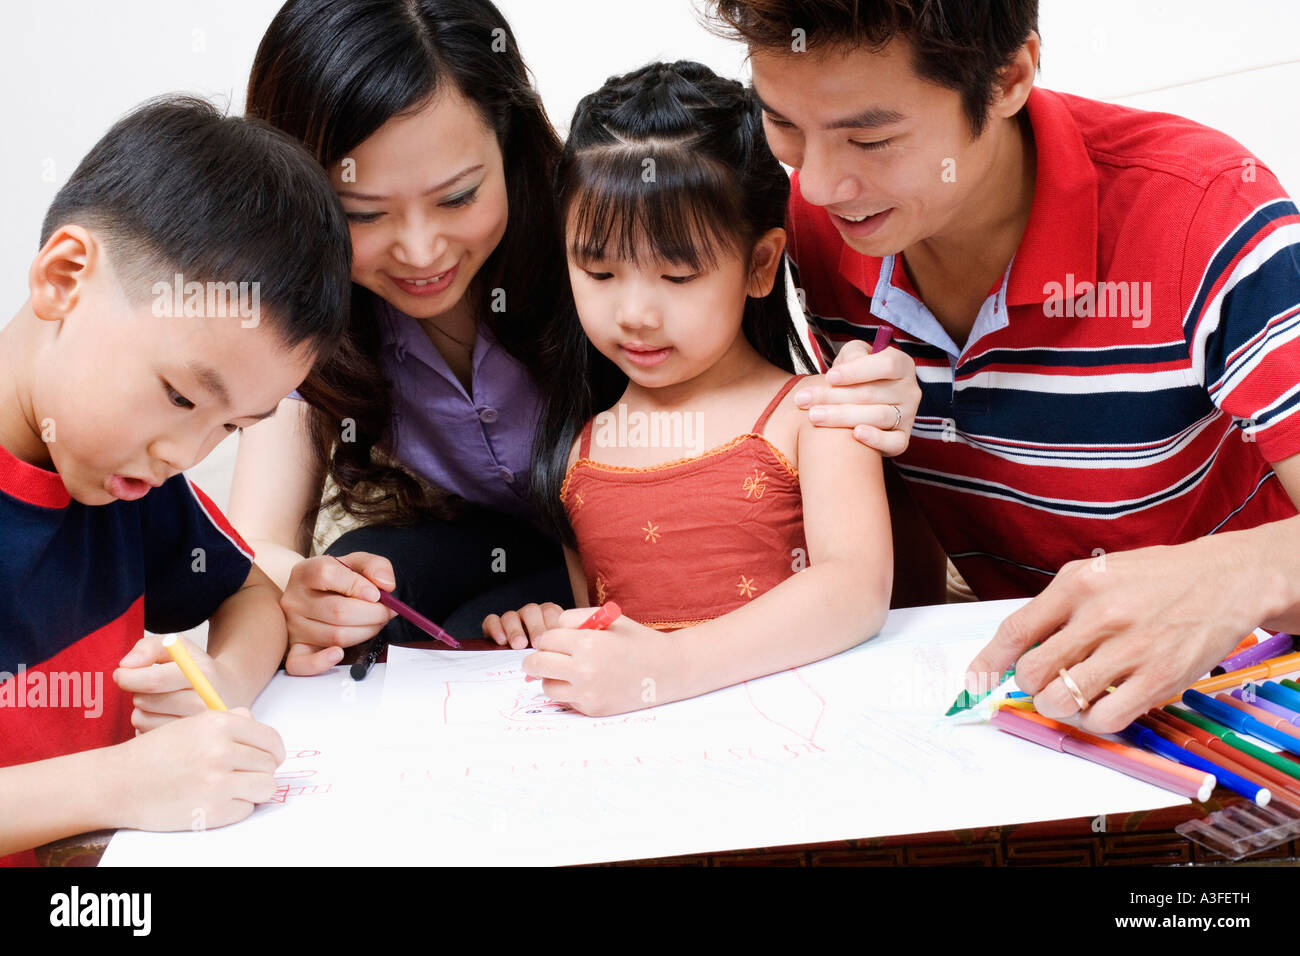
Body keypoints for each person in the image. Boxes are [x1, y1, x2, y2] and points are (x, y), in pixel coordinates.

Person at [704, 0, 1300, 732]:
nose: (822, 185)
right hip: (1018, 703)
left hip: (1246, 699)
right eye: (785, 125)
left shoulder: (1203, 211)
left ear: (1011, 75)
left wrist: (1230, 578)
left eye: (872, 137)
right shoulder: (827, 224)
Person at [0, 96, 353, 863]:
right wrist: (120, 783)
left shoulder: (122, 474)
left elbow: (253, 592)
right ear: (63, 278)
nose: (184, 454)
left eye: (230, 428)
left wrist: (223, 677)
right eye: (181, 397)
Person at [499, 61, 892, 717]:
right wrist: (559, 639)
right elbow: (611, 644)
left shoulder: (814, 416)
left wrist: (671, 667)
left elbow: (855, 589)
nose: (635, 313)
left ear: (760, 264)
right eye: (598, 271)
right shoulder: (578, 454)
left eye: (676, 276)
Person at [230, 0, 577, 670]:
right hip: (487, 541)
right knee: (358, 600)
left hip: (642, 537)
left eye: (457, 198)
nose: (421, 253)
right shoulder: (307, 306)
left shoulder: (593, 245)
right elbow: (258, 543)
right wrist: (303, 593)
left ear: (509, 142)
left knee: (477, 629)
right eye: (363, 214)